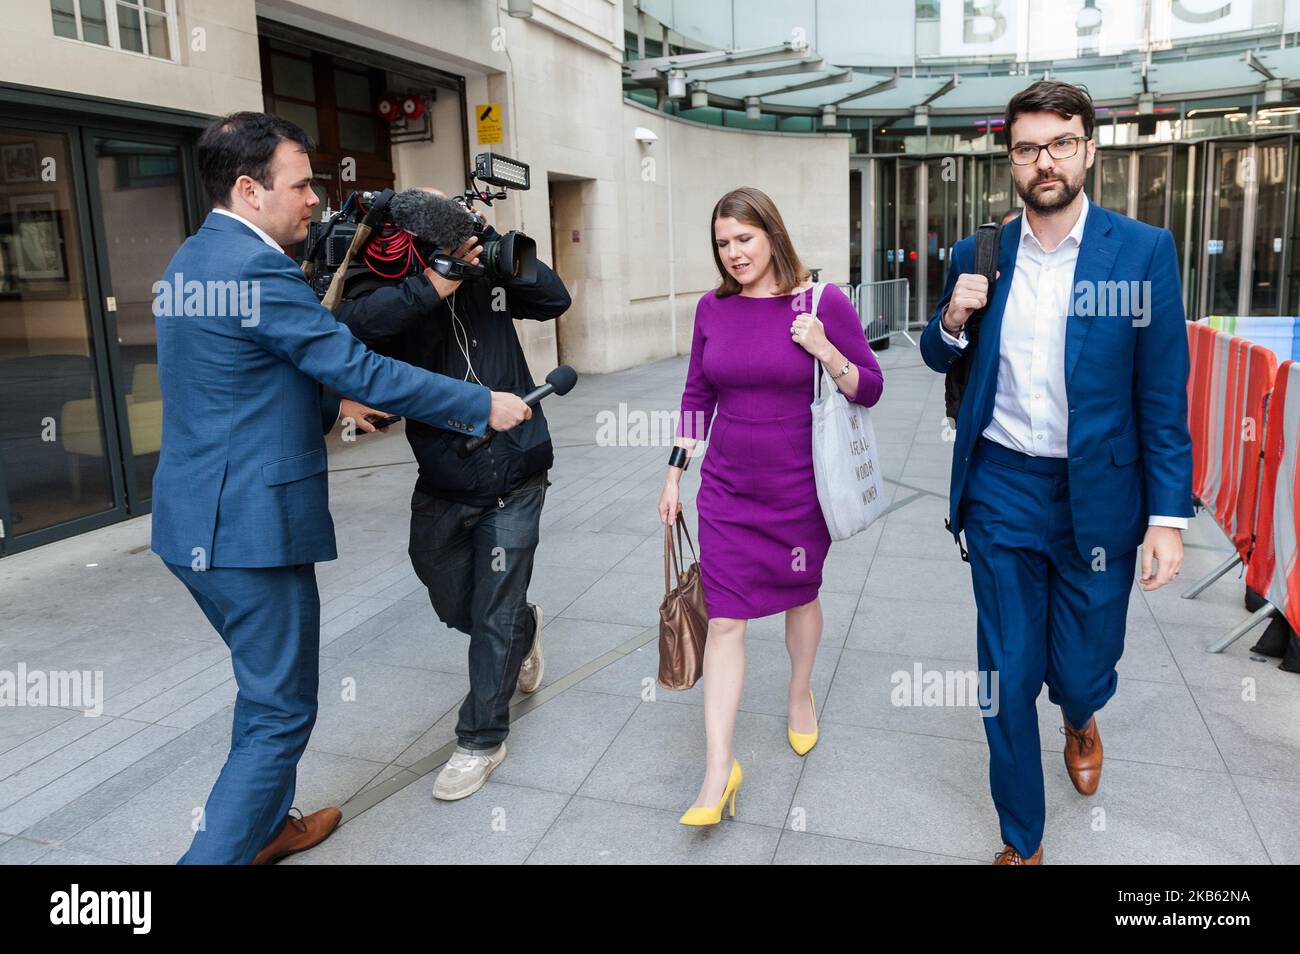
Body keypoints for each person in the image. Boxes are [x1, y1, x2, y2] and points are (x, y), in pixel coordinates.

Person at [151, 112, 531, 864]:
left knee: (261, 691)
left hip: (191, 522)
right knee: (280, 712)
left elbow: (236, 379)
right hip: (248, 531)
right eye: (300, 186)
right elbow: (359, 364)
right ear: (249, 188)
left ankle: (267, 828)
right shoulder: (254, 269)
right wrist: (478, 404)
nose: (314, 202)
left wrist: (335, 406)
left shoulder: (192, 261)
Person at [920, 80, 1193, 864]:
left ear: (1089, 149)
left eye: (1061, 143)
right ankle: (1022, 842)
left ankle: (1080, 713)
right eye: (1029, 147)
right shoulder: (981, 253)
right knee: (1006, 674)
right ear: (1011, 159)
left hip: (1100, 496)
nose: (1046, 161)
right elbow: (939, 355)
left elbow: (1162, 394)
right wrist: (951, 318)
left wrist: (1168, 519)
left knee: (1080, 665)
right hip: (1002, 487)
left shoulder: (1141, 252)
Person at [333, 188, 571, 801]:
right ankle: (524, 625)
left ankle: (480, 739)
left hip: (517, 469)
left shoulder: (484, 265)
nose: (452, 230)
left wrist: (492, 243)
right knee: (444, 589)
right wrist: (432, 283)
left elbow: (552, 298)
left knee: (493, 609)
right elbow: (351, 327)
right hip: (443, 474)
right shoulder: (387, 277)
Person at [658, 186, 884, 826]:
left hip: (798, 490)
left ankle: (797, 692)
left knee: (801, 597)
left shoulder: (822, 302)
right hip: (728, 490)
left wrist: (825, 349)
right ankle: (717, 769)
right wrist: (676, 474)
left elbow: (869, 386)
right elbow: (697, 392)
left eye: (744, 239)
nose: (733, 253)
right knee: (724, 620)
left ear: (772, 235)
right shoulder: (712, 309)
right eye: (723, 243)